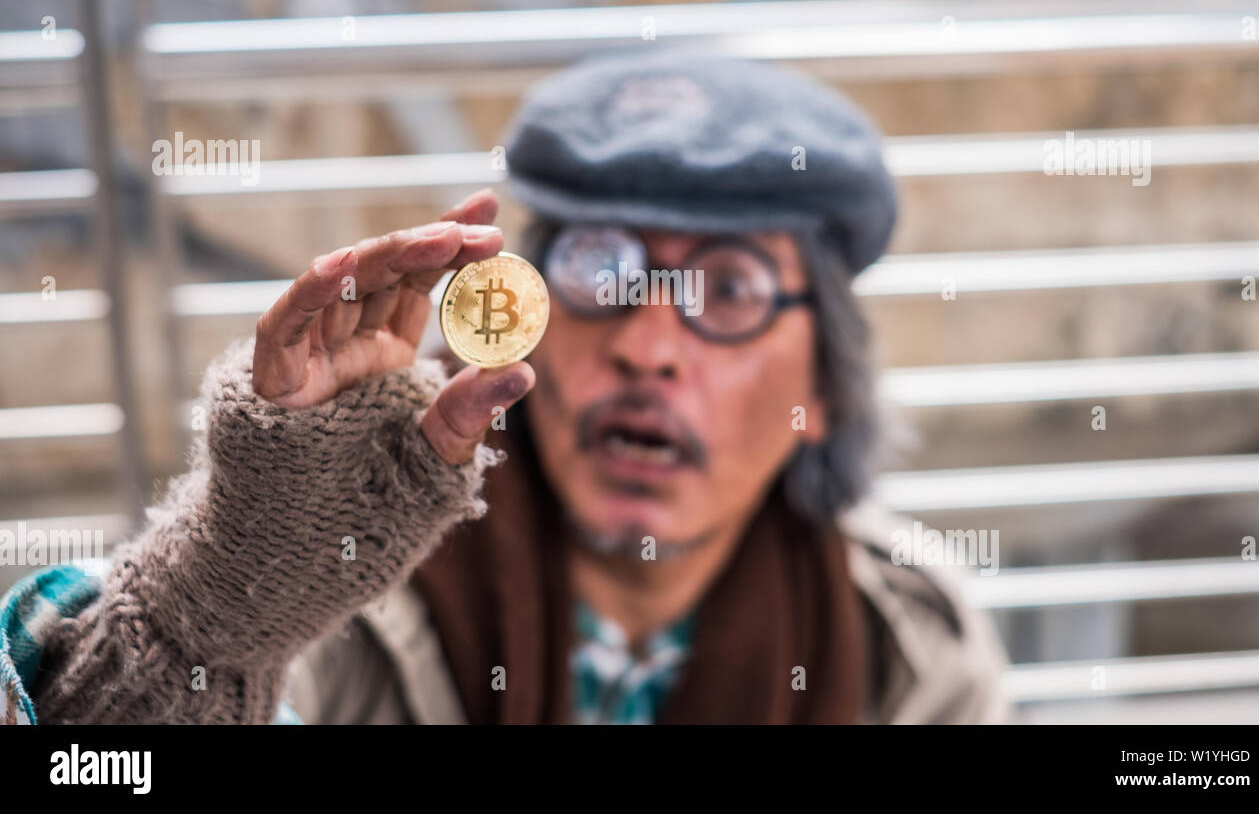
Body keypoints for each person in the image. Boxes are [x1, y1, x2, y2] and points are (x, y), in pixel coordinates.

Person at [1, 51, 1007, 725]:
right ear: (517, 317)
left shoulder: (910, 643)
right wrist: (225, 592)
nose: (650, 345)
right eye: (602, 272)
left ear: (823, 379)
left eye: (729, 289)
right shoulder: (347, 599)